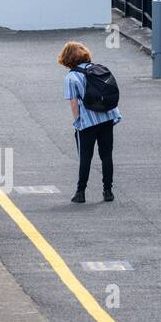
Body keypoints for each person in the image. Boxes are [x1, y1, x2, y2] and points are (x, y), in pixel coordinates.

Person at [58, 41, 122, 203]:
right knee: (106, 155)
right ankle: (108, 191)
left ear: (66, 59)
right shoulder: (99, 68)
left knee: (86, 157)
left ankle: (80, 193)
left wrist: (78, 121)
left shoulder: (71, 77)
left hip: (87, 122)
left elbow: (74, 104)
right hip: (107, 117)